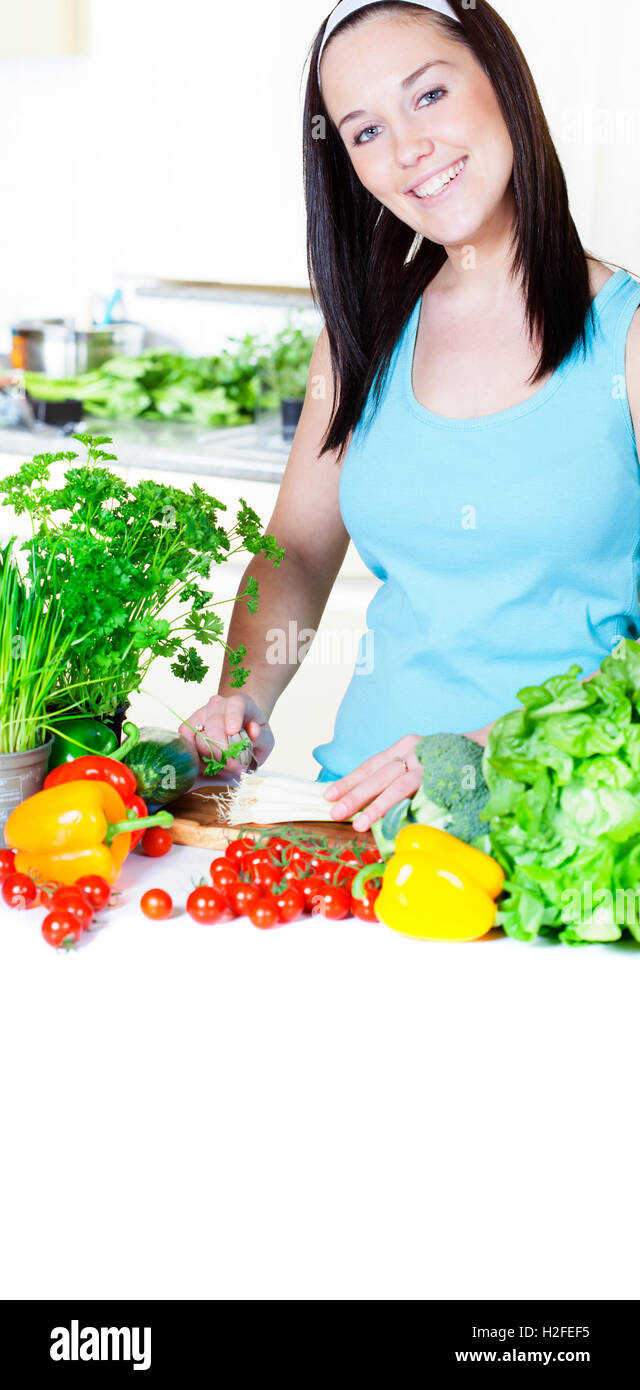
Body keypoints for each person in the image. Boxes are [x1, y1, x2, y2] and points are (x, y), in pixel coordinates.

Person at [180, 0, 640, 836]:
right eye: (364, 131)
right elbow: (300, 551)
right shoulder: (360, 340)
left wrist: (482, 748)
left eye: (428, 96)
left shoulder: (629, 341)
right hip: (351, 818)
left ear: (504, 83)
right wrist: (243, 693)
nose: (407, 150)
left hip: (562, 837)